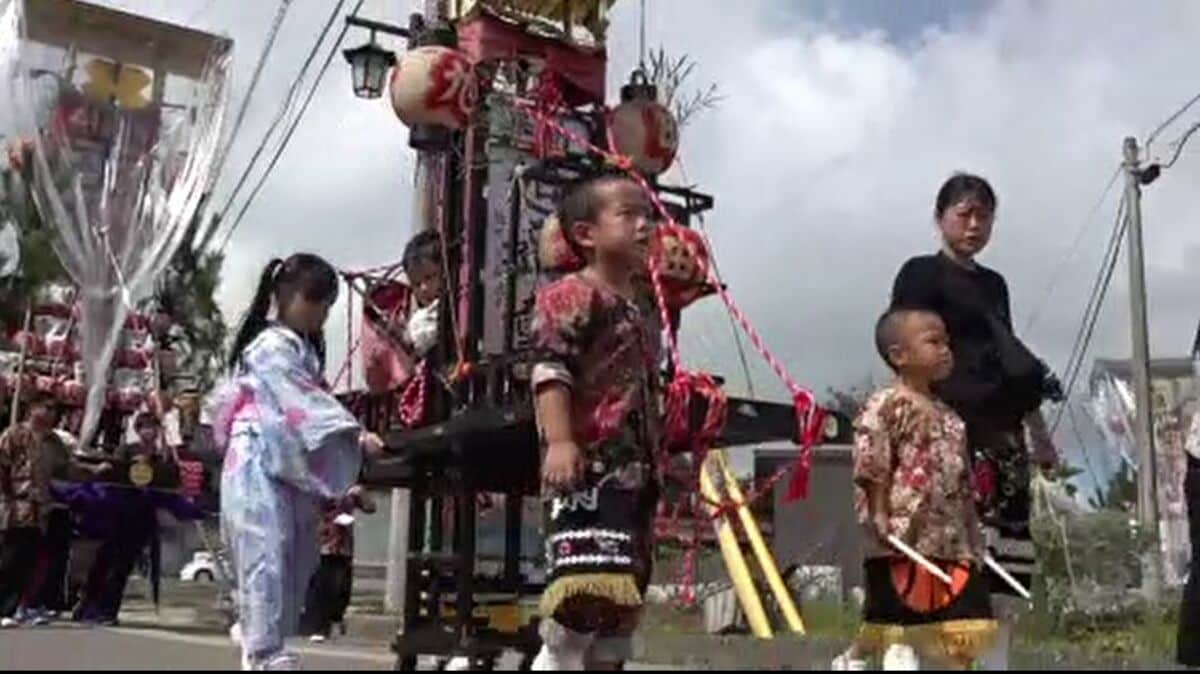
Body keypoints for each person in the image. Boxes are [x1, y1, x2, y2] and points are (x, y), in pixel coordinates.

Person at [890, 173, 1060, 670]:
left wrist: (1039, 434)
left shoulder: (994, 286)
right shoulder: (920, 275)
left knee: (1000, 574)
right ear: (940, 217)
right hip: (941, 435)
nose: (974, 224)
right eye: (964, 213)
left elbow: (1010, 360)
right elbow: (902, 347)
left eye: (984, 214)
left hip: (1000, 439)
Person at [212, 253, 385, 670]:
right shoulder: (272, 347)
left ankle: (262, 645)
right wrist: (354, 436)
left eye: (327, 304)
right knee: (265, 554)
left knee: (290, 556)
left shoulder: (297, 351)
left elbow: (299, 414)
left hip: (277, 459)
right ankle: (264, 651)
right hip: (256, 458)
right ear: (285, 295)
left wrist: (343, 482)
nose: (322, 312)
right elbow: (299, 403)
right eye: (316, 300)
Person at [529, 174, 661, 671]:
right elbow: (549, 369)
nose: (645, 225)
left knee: (620, 610)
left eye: (647, 214)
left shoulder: (642, 303)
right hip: (590, 470)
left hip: (636, 473)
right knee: (578, 608)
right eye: (629, 215)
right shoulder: (571, 294)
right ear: (586, 234)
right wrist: (560, 440)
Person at [837, 309, 995, 670]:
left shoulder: (951, 418)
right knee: (894, 615)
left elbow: (962, 477)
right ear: (899, 355)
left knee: (958, 617)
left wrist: (973, 534)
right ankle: (856, 659)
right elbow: (873, 460)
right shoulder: (887, 405)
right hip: (904, 533)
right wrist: (878, 511)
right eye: (933, 342)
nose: (945, 351)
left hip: (950, 537)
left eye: (947, 343)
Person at [0, 394, 108, 627]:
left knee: (31, 561)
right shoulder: (14, 435)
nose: (50, 413)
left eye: (54, 409)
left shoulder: (53, 442)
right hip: (15, 505)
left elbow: (66, 469)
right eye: (45, 408)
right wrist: (7, 497)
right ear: (32, 409)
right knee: (11, 558)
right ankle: (3, 608)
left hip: (41, 509)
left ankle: (19, 606)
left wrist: (94, 470)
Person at [301, 485, 375, 642]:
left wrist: (360, 494)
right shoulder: (317, 485)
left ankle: (335, 619)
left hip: (343, 546)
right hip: (321, 543)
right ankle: (318, 627)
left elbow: (370, 507)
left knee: (341, 587)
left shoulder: (349, 488)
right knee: (319, 587)